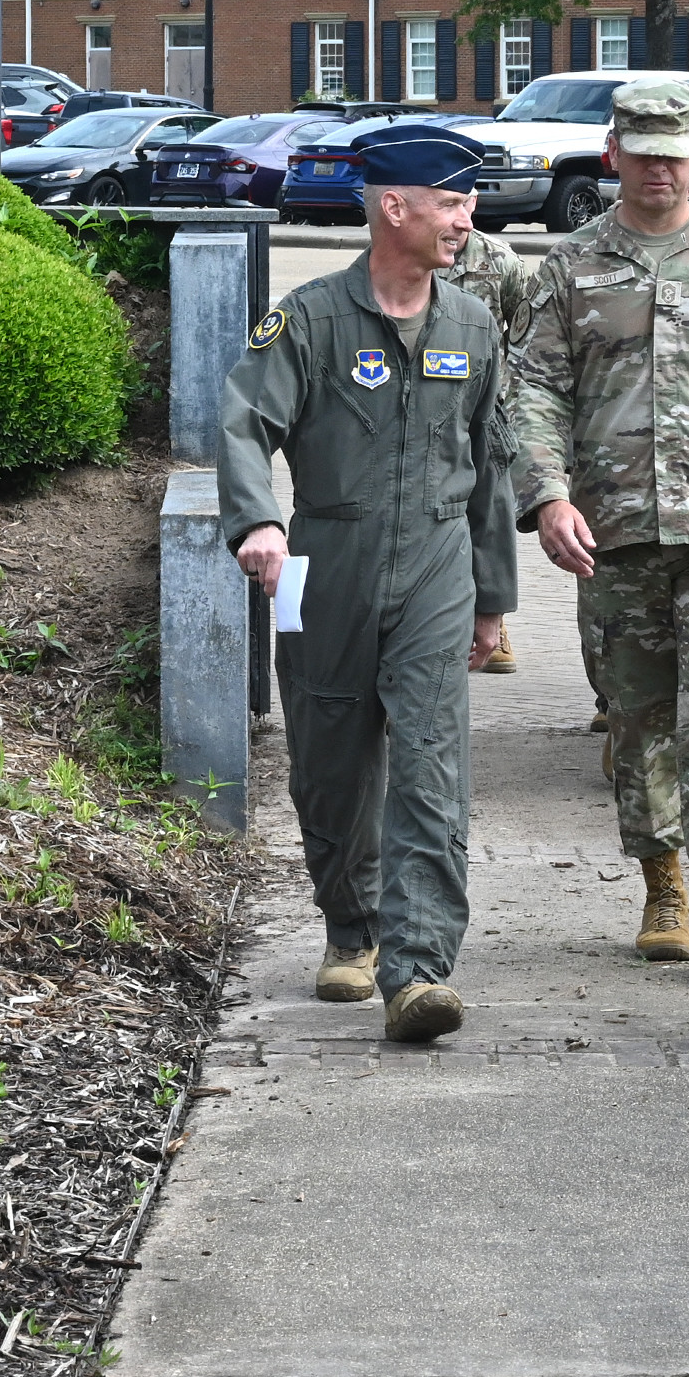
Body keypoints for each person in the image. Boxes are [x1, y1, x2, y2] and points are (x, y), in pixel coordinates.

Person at [217, 125, 518, 1042]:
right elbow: (239, 424)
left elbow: (489, 465)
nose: (469, 221)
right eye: (454, 204)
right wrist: (258, 519)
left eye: (469, 204)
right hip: (324, 566)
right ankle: (350, 926)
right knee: (332, 765)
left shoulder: (472, 323)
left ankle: (418, 966)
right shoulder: (308, 319)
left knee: (431, 763)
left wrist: (495, 597)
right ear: (397, 207)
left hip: (434, 568)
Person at [511, 76, 689, 969]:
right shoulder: (573, 267)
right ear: (614, 155)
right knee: (637, 718)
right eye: (644, 154)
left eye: (675, 155)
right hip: (614, 531)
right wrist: (548, 497)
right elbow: (534, 391)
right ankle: (662, 885)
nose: (659, 170)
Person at [439, 227, 529, 676]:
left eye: (468, 200)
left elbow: (529, 331)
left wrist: (507, 389)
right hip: (434, 406)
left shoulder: (500, 261)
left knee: (492, 512)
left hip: (488, 407)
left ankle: (494, 616)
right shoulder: (411, 250)